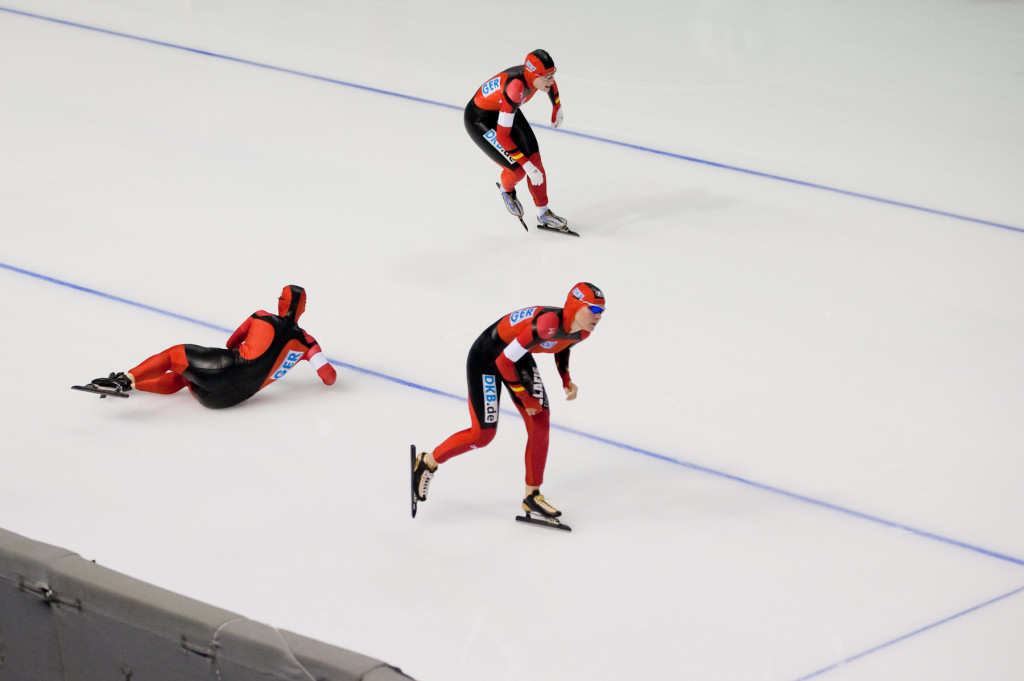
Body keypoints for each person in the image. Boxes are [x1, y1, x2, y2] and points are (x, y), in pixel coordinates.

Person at [413, 282, 605, 518]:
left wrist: (565, 378)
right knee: (482, 435)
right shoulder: (546, 324)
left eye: (602, 311)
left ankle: (532, 496)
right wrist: (526, 398)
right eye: (594, 310)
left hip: (517, 355)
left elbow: (563, 345)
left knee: (541, 420)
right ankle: (428, 461)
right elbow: (503, 362)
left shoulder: (583, 331)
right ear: (576, 307)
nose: (599, 316)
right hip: (488, 356)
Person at [81, 285, 337, 408]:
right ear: (303, 309)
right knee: (184, 378)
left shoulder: (260, 316)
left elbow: (231, 343)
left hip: (224, 370)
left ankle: (125, 380)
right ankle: (133, 384)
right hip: (228, 400)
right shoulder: (307, 342)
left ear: (280, 303)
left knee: (174, 356)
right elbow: (329, 377)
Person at [464, 49, 568, 229]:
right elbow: (502, 137)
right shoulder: (515, 89)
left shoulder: (536, 77)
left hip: (505, 110)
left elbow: (551, 84)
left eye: (552, 75)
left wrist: (556, 106)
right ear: (534, 75)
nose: (551, 81)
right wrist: (526, 166)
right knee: (518, 170)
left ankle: (543, 213)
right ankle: (507, 190)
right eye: (547, 77)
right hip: (480, 119)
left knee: (536, 161)